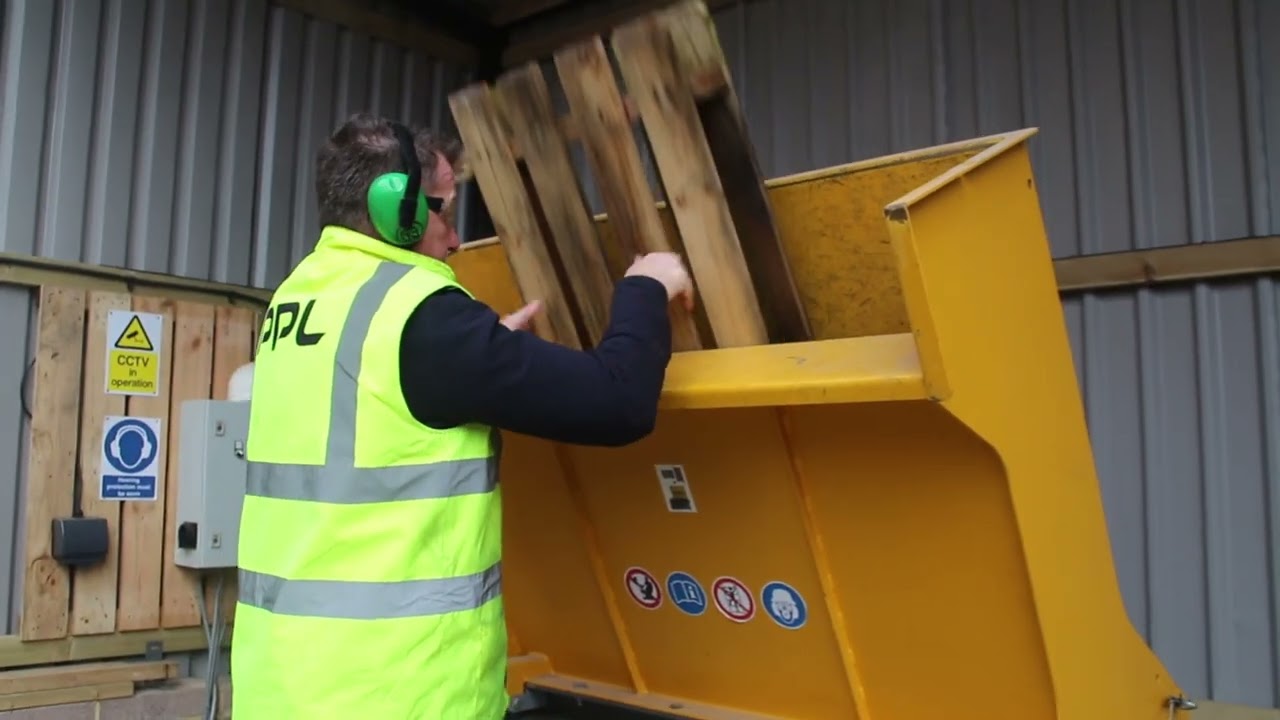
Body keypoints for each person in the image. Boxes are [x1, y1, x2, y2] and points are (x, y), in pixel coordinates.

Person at [230, 111, 695, 720]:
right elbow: (618, 402)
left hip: (283, 689)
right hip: (397, 696)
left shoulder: (299, 300)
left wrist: (486, 353)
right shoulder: (421, 317)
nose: (454, 239)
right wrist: (645, 288)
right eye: (443, 210)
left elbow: (376, 409)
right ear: (396, 209)